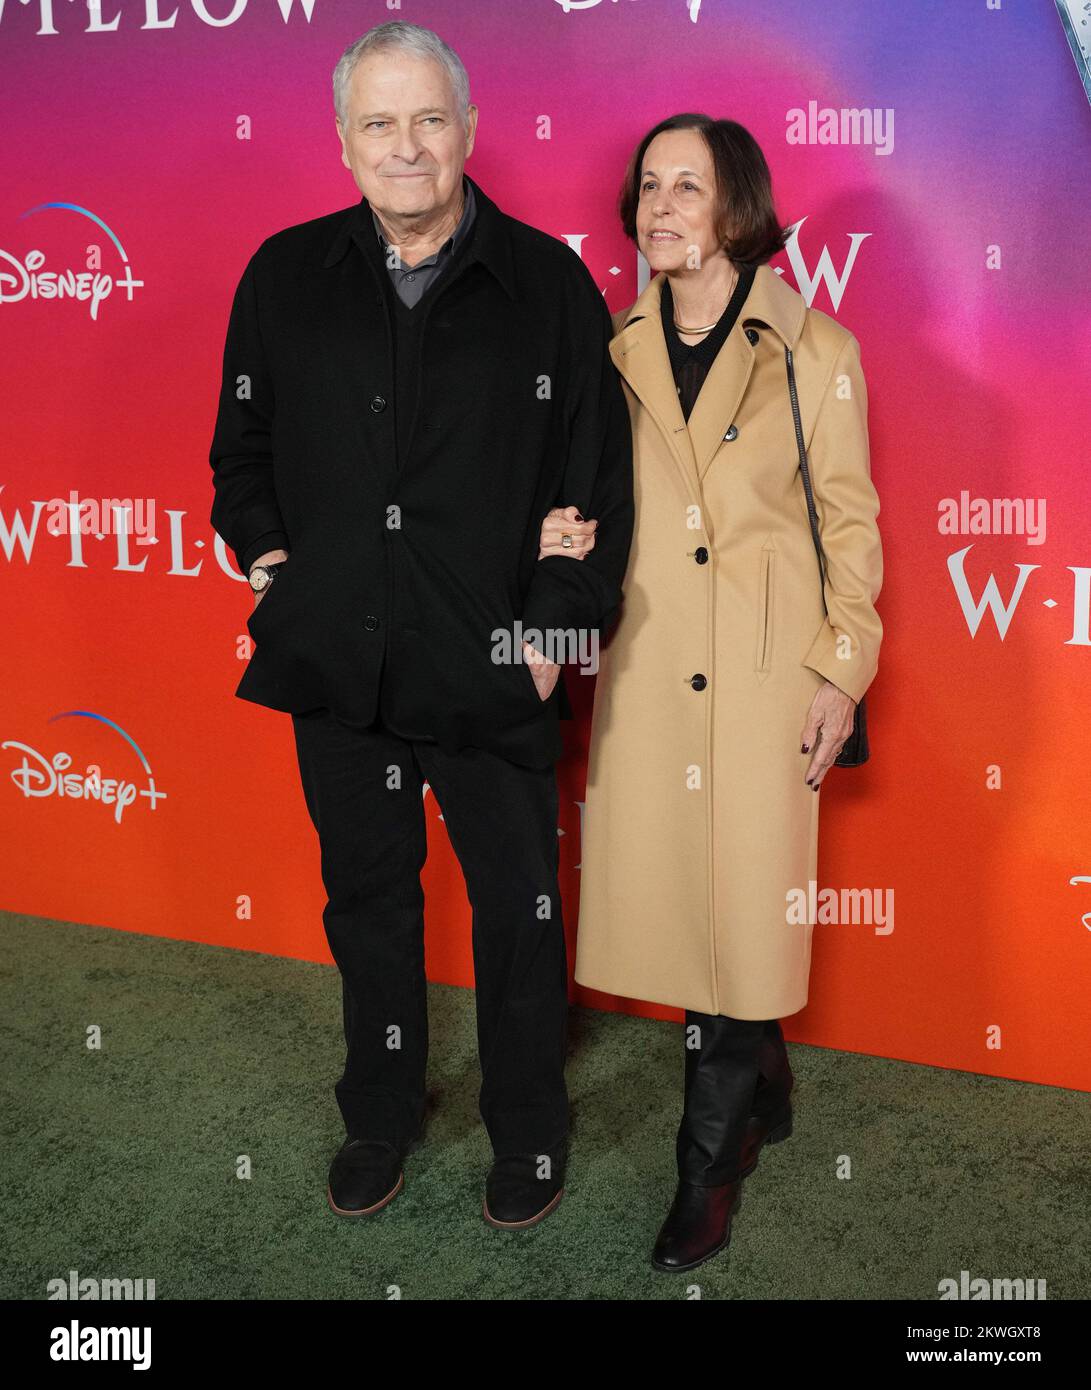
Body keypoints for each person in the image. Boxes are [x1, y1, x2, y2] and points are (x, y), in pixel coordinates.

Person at [208, 21, 633, 1229]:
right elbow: (241, 450)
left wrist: (549, 642)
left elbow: (596, 485)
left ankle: (529, 1125)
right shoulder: (283, 275)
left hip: (493, 662)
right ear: (344, 142)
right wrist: (272, 564)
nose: (406, 145)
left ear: (468, 130)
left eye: (428, 119)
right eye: (380, 123)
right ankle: (379, 1114)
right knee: (368, 901)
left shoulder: (547, 286)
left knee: (517, 907)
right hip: (337, 656)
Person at [542, 113, 883, 1271]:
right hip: (647, 668)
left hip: (764, 673)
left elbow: (849, 527)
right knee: (690, 905)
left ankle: (707, 1164)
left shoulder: (815, 351)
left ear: (737, 207)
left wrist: (841, 669)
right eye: (648, 185)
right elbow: (589, 503)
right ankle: (763, 1077)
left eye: (687, 186)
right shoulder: (608, 349)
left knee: (739, 902)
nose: (660, 206)